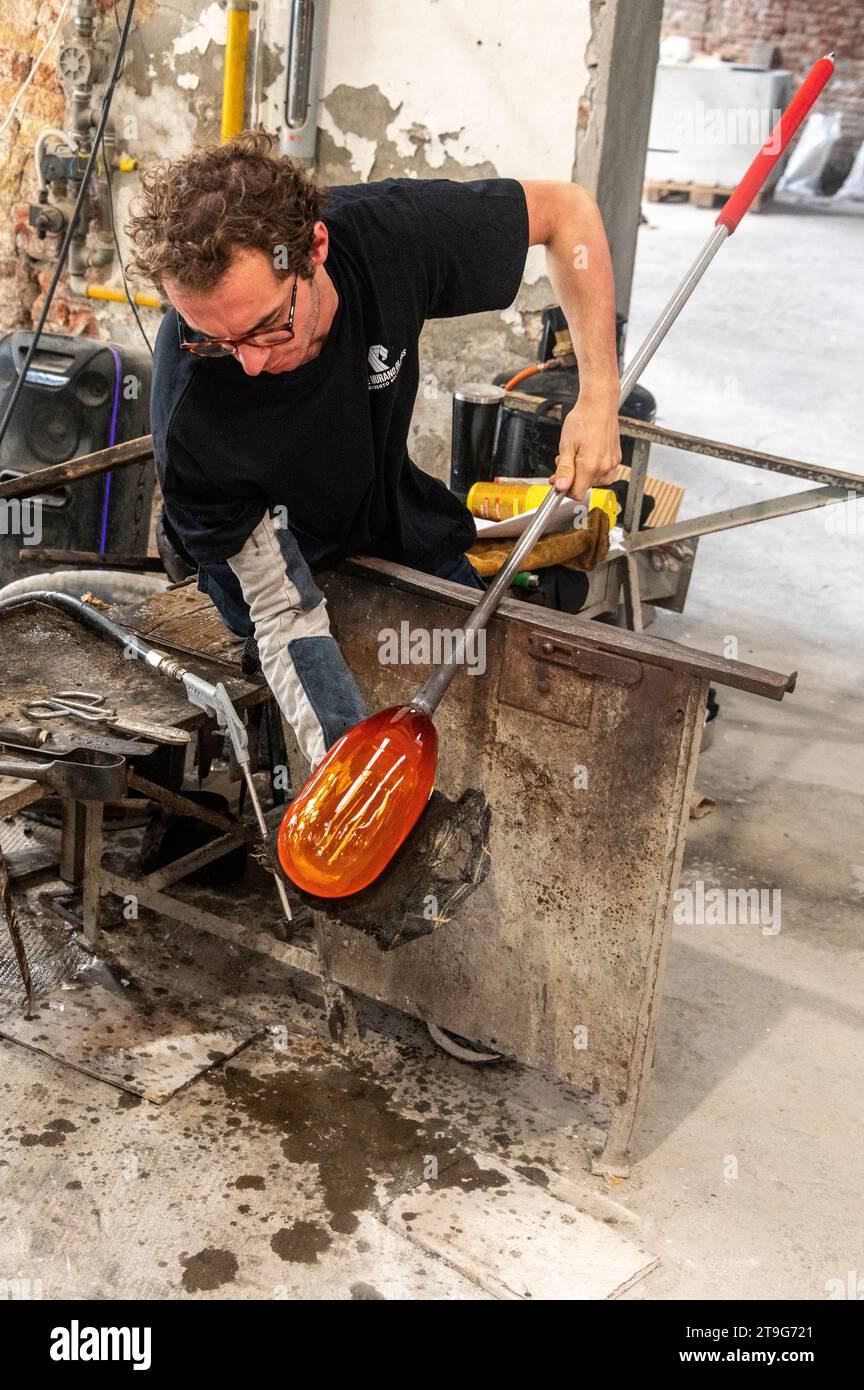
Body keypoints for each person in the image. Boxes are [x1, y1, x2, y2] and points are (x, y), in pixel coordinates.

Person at [129, 133, 621, 770]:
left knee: (482, 682)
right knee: (332, 739)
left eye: (267, 325)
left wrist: (599, 394)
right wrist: (350, 770)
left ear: (314, 249)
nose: (247, 364)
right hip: (268, 563)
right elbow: (283, 614)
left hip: (382, 513)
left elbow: (567, 211)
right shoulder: (192, 411)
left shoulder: (388, 234)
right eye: (215, 340)